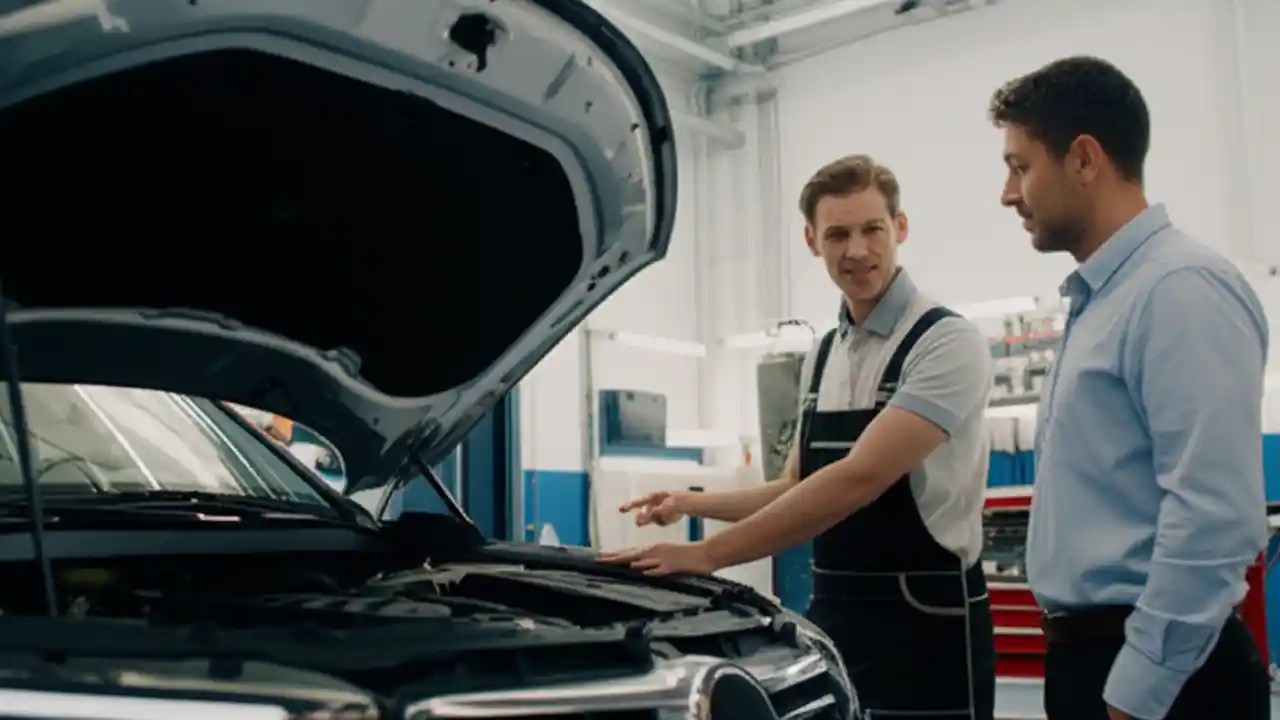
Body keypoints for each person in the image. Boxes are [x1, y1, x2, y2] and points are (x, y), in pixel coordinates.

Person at [600, 154, 997, 719]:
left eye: (871, 230)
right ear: (812, 241)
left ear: (900, 229)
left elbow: (859, 478)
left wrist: (706, 554)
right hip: (835, 620)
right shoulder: (824, 354)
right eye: (837, 234)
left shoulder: (944, 342)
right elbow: (797, 485)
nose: (856, 249)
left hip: (927, 628)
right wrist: (691, 503)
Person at [988, 56, 1271, 720]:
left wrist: (1136, 691)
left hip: (1164, 682)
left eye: (1020, 166)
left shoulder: (1177, 290)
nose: (1007, 193)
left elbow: (1214, 515)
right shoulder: (1103, 298)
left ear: (1084, 159)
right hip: (1095, 663)